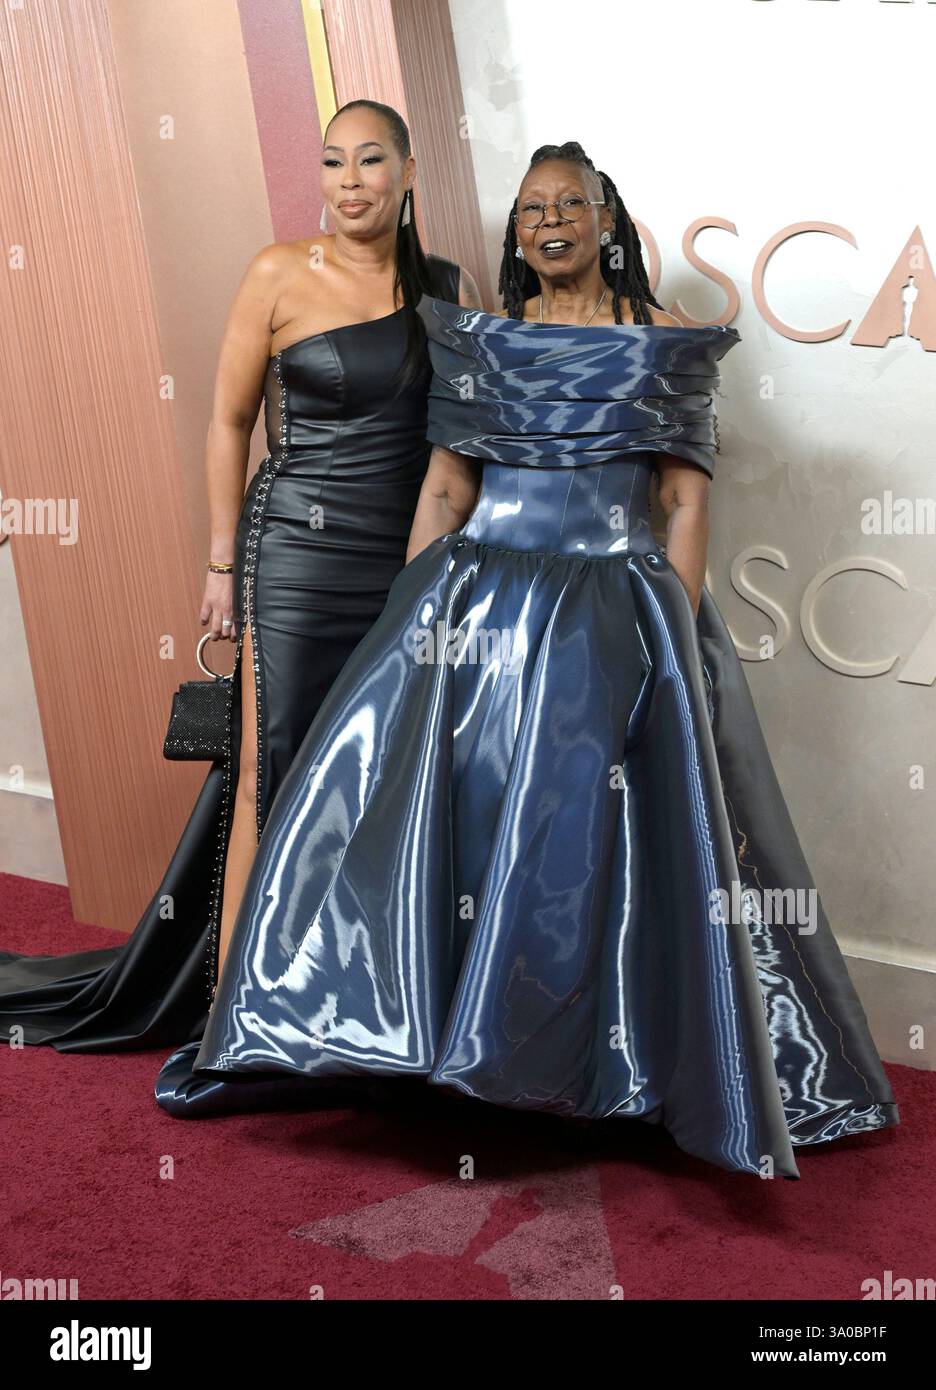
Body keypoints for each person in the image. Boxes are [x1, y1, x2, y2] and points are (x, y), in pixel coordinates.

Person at [153, 142, 898, 1180]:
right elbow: (448, 491)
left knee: (601, 841)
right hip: (477, 609)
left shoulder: (665, 342)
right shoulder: (484, 339)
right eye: (531, 208)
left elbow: (681, 502)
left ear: (609, 222)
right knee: (418, 820)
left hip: (614, 600)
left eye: (570, 204)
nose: (549, 220)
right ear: (516, 233)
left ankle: (617, 1068)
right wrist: (404, 624)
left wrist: (673, 631)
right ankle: (430, 1046)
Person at [0, 99, 477, 1052]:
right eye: (334, 161)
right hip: (295, 554)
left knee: (378, 776)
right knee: (272, 767)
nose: (350, 181)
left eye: (371, 160)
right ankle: (233, 1012)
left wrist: (432, 574)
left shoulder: (447, 288)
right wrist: (223, 561)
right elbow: (225, 424)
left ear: (410, 172)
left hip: (403, 559)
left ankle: (345, 1000)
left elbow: (456, 450)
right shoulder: (277, 272)